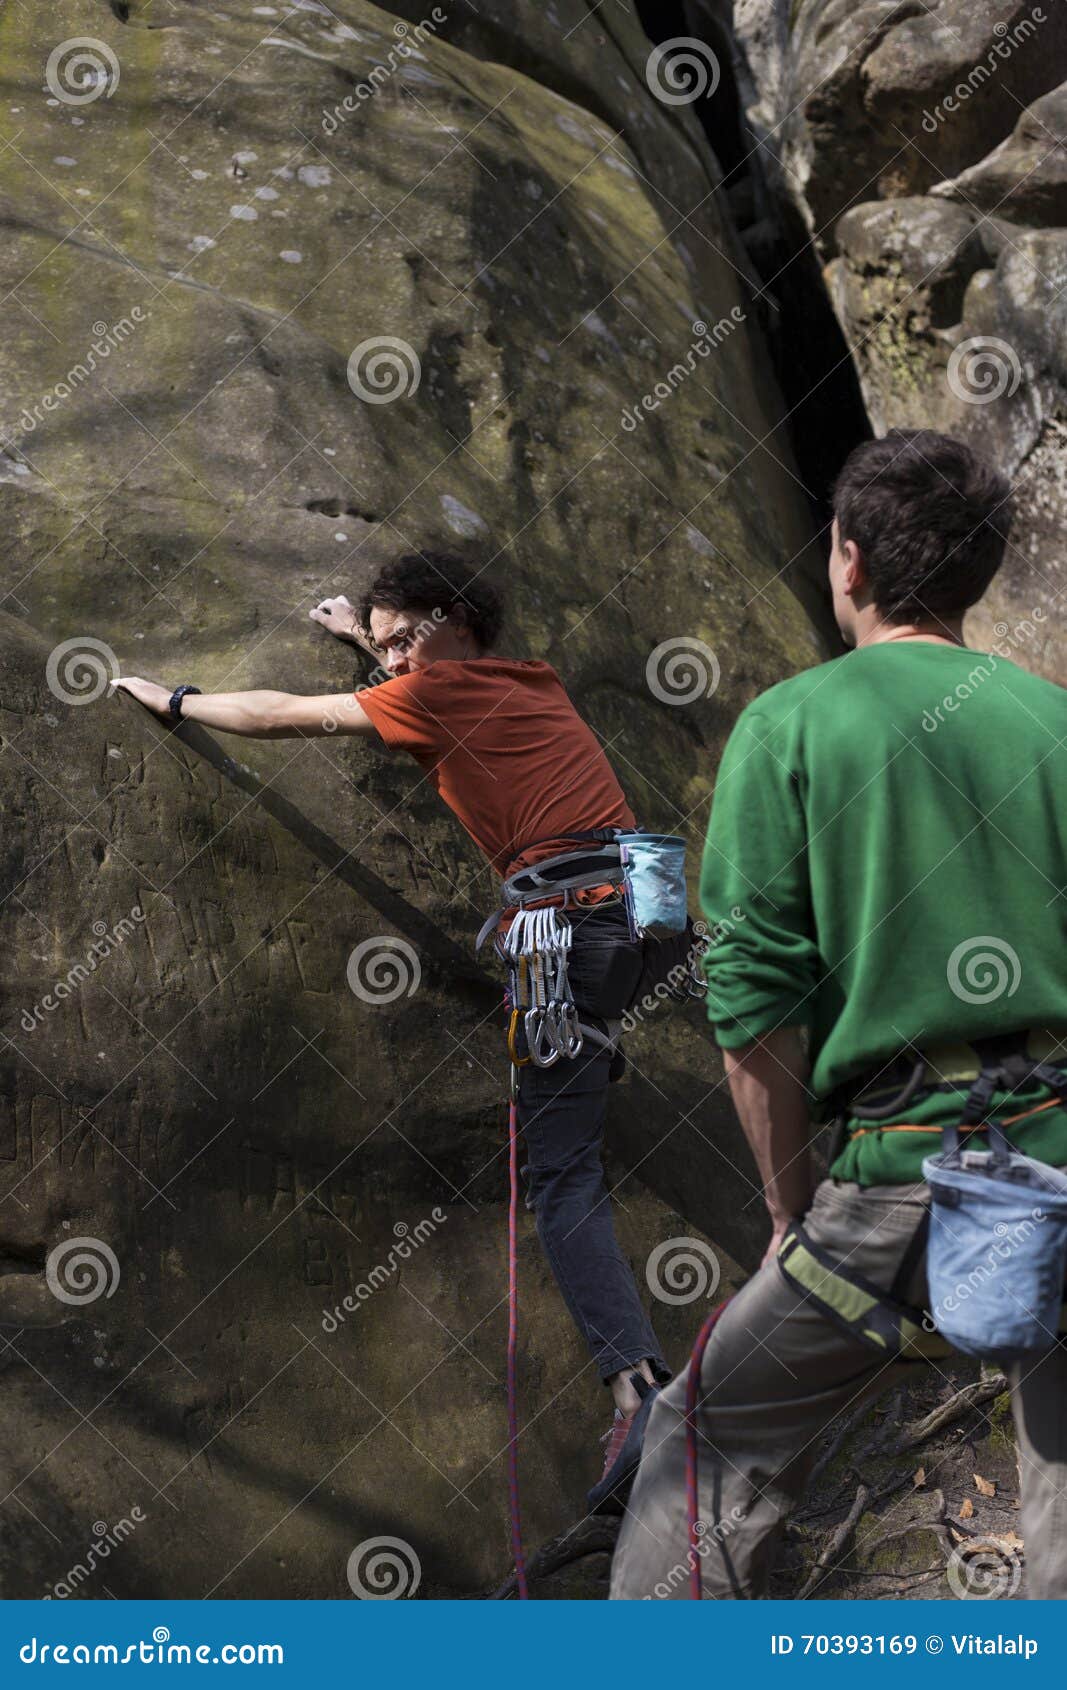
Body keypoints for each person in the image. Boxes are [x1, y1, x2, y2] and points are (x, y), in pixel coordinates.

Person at [610, 429, 1067, 1600]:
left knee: (696, 1445)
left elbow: (750, 990)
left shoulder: (794, 723)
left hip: (902, 1169)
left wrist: (786, 1204)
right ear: (977, 573)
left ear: (845, 562)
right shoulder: (1051, 724)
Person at [111, 550, 670, 1503]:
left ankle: (637, 1396)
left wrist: (178, 701)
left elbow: (284, 716)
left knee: (560, 1179)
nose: (398, 660)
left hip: (559, 930)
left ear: (454, 620)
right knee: (571, 1114)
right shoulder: (527, 681)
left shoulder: (435, 691)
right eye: (388, 648)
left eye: (406, 638)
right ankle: (586, 1062)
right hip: (634, 921)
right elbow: (439, 702)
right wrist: (367, 641)